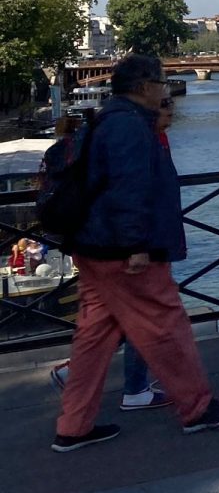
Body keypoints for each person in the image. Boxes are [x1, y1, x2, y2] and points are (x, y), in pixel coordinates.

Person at [52, 54, 219, 453]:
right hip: (123, 250)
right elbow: (129, 190)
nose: (165, 88)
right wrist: (137, 245)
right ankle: (198, 408)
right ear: (143, 87)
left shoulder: (110, 119)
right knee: (166, 325)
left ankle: (73, 425)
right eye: (160, 81)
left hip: (94, 244)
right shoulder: (128, 127)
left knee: (94, 337)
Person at [50, 97, 180, 412]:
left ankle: (77, 380)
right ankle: (137, 388)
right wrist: (138, 246)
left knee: (113, 321)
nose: (172, 117)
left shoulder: (149, 136)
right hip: (133, 246)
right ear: (152, 110)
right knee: (145, 319)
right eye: (167, 111)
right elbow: (132, 193)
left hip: (124, 243)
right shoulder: (142, 140)